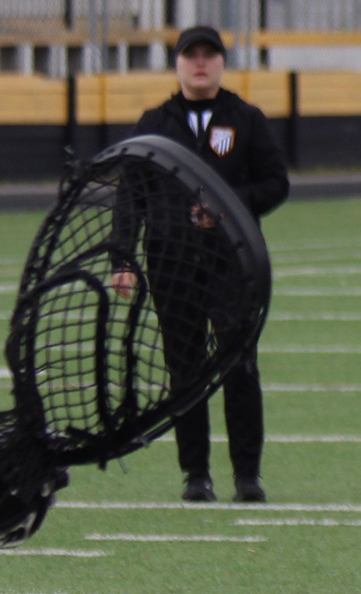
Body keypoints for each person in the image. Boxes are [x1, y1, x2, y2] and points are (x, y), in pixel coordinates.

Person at [117, 25, 289, 502]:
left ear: (221, 63)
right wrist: (123, 256)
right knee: (185, 371)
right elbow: (131, 196)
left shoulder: (246, 119)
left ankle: (247, 475)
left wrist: (231, 204)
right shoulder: (155, 122)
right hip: (171, 264)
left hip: (233, 262)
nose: (200, 62)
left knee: (240, 366)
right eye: (190, 55)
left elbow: (277, 183)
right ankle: (196, 475)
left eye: (209, 55)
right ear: (177, 63)